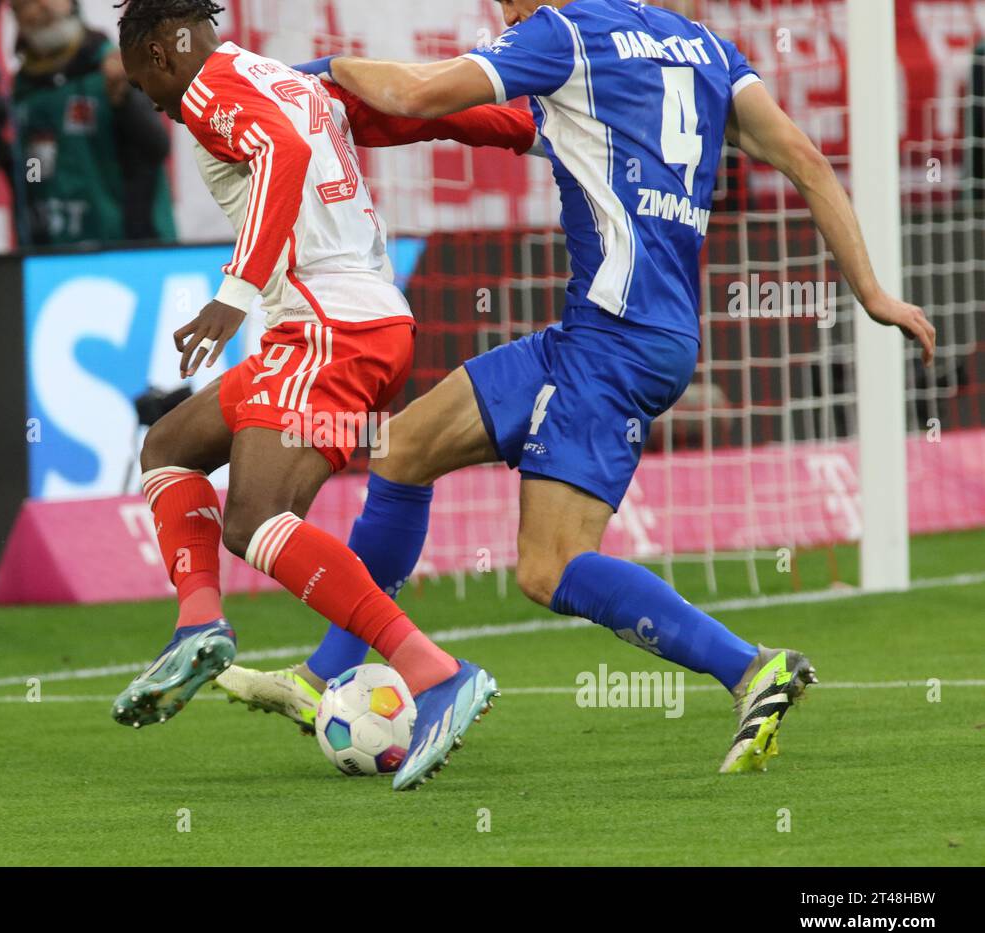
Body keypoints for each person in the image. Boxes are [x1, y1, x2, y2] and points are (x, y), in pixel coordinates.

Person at [219, 0, 938, 774]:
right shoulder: (705, 49)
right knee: (404, 453)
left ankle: (749, 666)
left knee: (547, 566)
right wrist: (873, 292)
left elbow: (419, 94)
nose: (506, 13)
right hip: (613, 334)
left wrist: (311, 76)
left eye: (507, 3)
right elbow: (802, 154)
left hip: (614, 342)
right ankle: (322, 675)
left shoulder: (564, 32)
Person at [110, 0, 541, 790]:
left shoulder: (211, 89)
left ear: (171, 45)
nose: (156, 99)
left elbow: (276, 151)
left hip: (324, 327)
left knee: (255, 519)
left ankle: (433, 670)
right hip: (368, 324)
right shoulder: (294, 82)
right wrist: (531, 132)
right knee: (170, 445)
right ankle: (198, 622)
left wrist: (233, 294)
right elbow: (420, 117)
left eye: (149, 81)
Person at [10, 0, 176, 246]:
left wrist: (126, 100)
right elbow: (34, 174)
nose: (39, 9)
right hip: (50, 256)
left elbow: (157, 148)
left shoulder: (114, 67)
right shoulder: (22, 90)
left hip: (127, 251)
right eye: (25, 5)